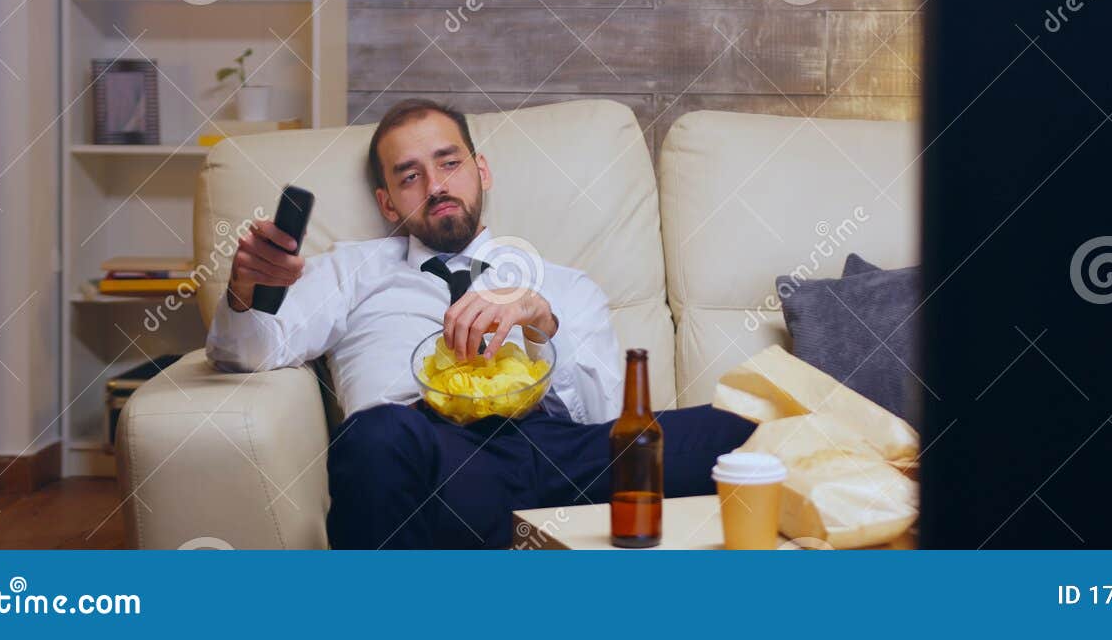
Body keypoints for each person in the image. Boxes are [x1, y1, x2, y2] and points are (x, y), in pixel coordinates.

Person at [206, 98, 756, 548]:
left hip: (560, 453)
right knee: (374, 436)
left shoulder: (562, 285)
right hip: (430, 454)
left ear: (481, 170)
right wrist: (244, 292)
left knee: (736, 433)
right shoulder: (353, 268)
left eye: (450, 163)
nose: (437, 186)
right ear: (389, 202)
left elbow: (605, 417)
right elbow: (248, 354)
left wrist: (538, 322)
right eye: (410, 176)